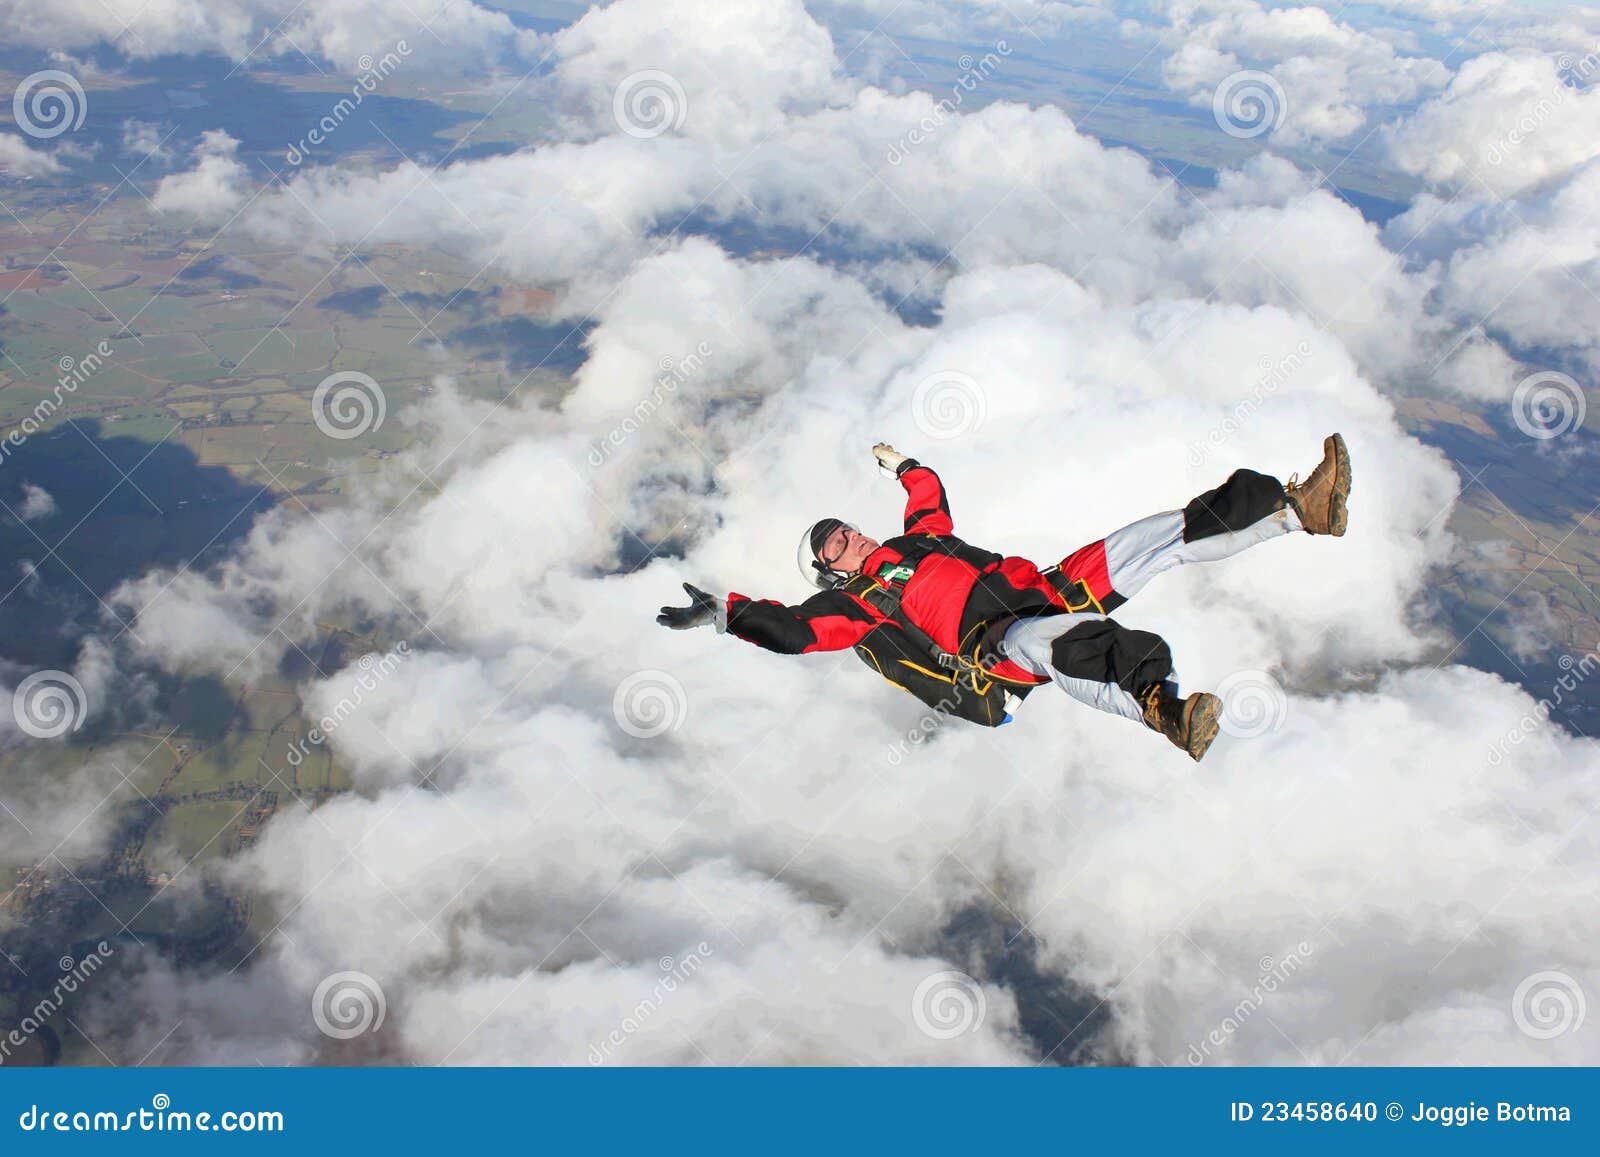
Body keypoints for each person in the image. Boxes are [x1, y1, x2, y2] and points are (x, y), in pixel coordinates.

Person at [657, 436, 1351, 760]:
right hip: (996, 652)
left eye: (844, 527)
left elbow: (930, 502)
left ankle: (1296, 509)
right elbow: (792, 632)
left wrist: (907, 468)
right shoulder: (860, 608)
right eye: (834, 544)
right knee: (1062, 645)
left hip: (1046, 587)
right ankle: (1163, 705)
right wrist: (727, 612)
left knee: (1157, 535)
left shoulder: (912, 547)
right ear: (829, 574)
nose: (849, 536)